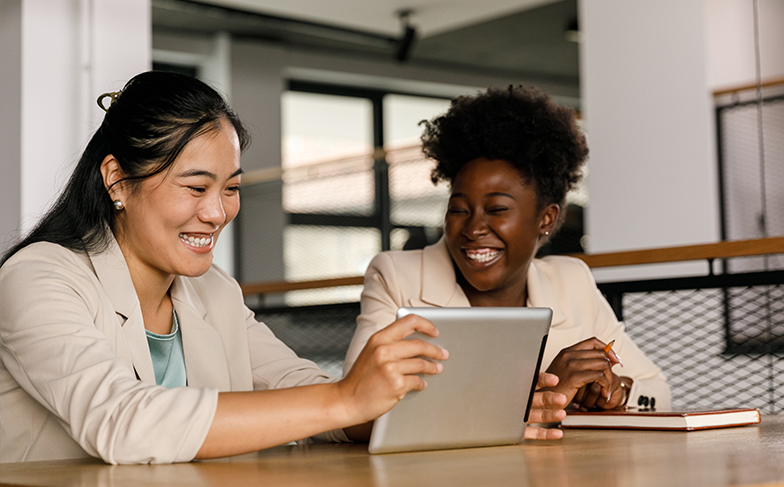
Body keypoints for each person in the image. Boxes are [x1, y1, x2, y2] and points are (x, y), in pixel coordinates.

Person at [0, 71, 454, 464]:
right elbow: (122, 421)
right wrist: (344, 399)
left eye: (230, 188)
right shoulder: (38, 278)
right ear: (117, 180)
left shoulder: (215, 291)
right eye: (196, 187)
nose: (218, 213)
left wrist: (401, 402)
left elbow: (297, 391)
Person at [343, 86, 671, 429]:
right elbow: (352, 411)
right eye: (459, 209)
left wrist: (616, 393)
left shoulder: (571, 280)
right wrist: (545, 392)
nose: (474, 228)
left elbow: (657, 391)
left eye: (497, 209)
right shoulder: (397, 276)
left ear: (545, 219)